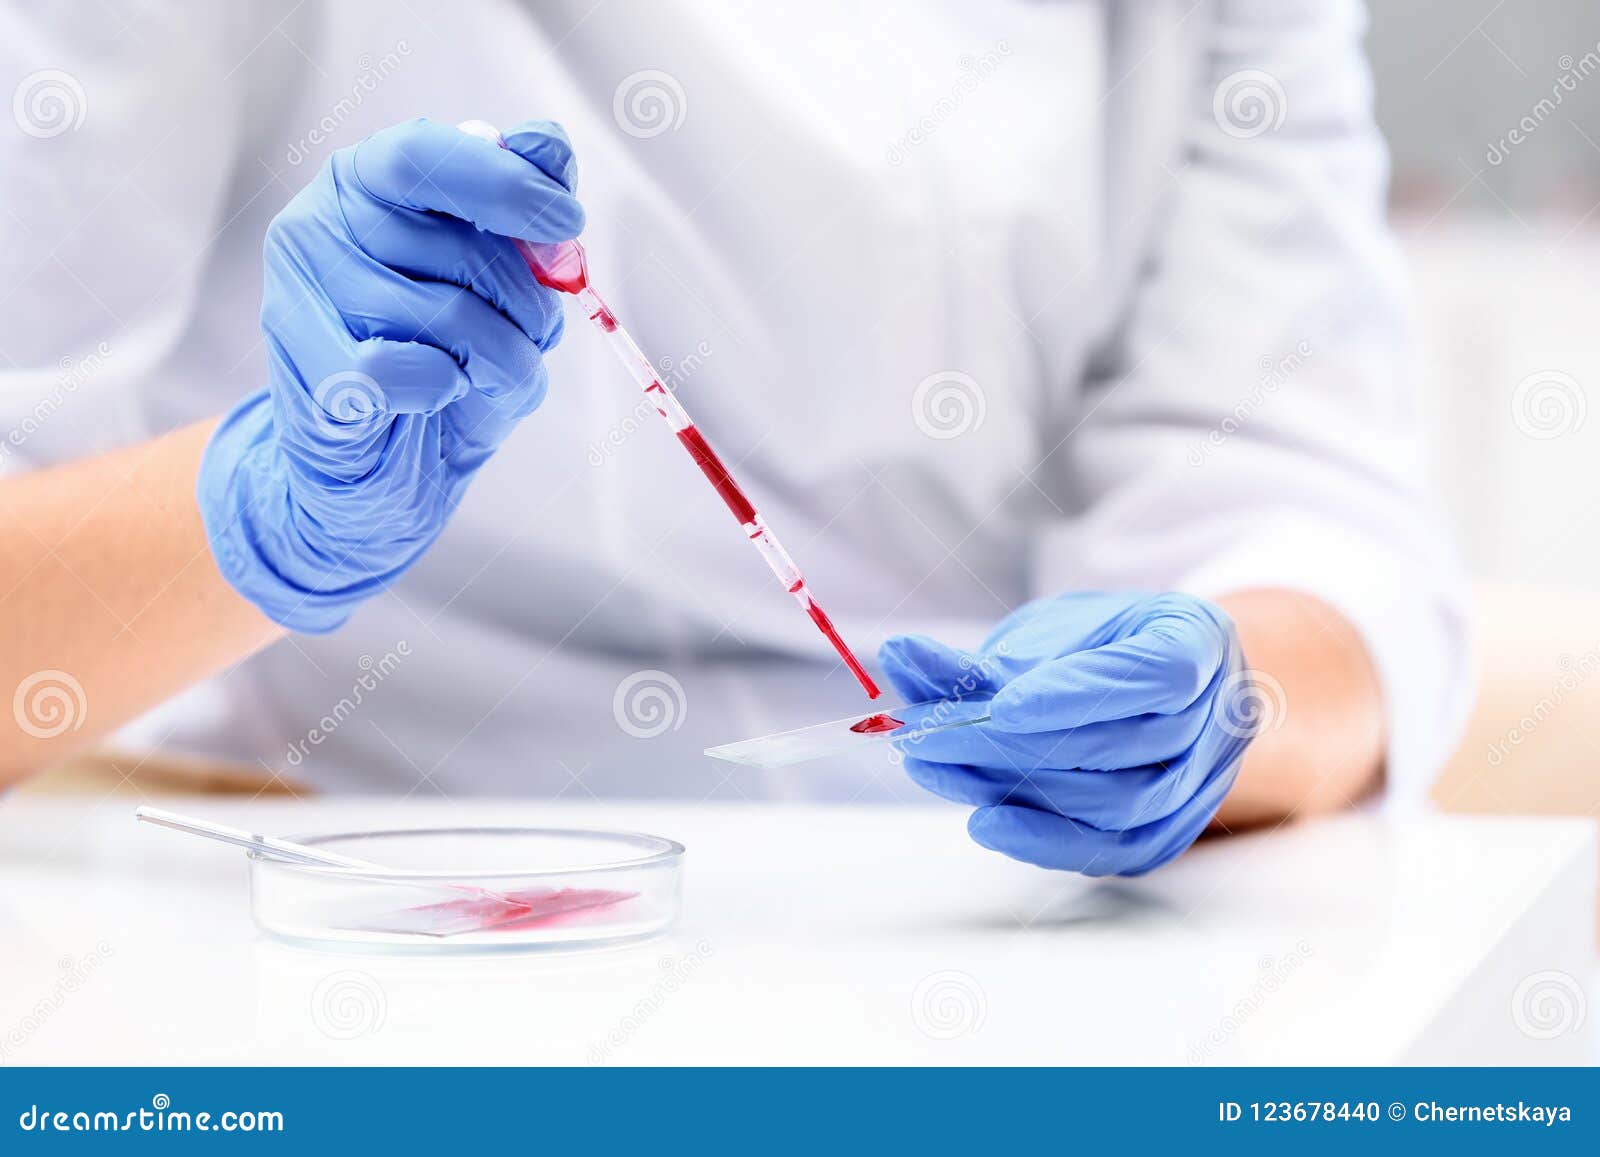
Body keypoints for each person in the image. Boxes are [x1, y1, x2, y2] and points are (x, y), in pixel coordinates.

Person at [0, 1, 1469, 875]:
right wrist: (255, 519)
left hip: (978, 890)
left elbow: (1305, 495)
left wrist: (1218, 709)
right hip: (349, 876)